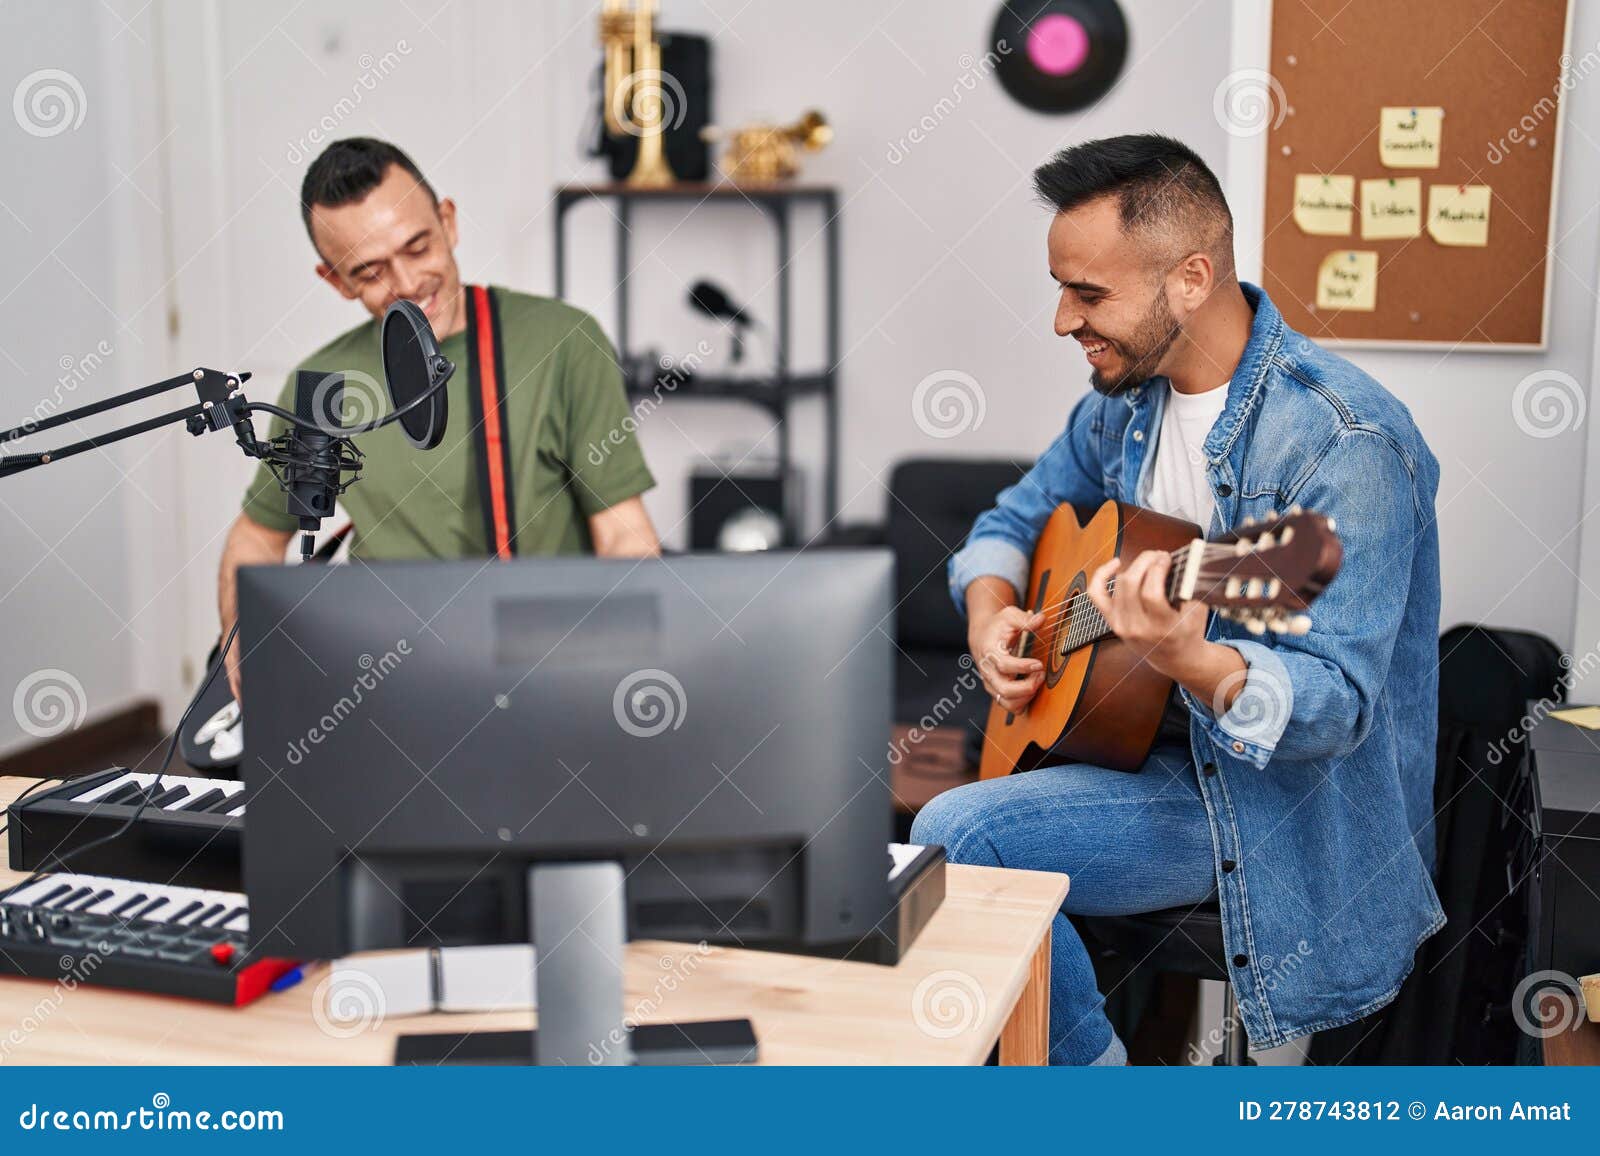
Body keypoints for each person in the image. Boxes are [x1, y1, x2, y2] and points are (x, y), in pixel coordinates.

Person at [911, 134, 1443, 1064]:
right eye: (1060, 287)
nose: (1061, 320)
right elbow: (1008, 520)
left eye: (1088, 294)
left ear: (1191, 278)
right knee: (944, 844)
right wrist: (992, 612)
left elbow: (1340, 708)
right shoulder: (1121, 401)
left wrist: (1186, 656)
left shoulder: (1347, 444)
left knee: (955, 835)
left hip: (1273, 808)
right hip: (1137, 757)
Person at [219, 138, 660, 697]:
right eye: (370, 271)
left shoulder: (561, 344)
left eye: (418, 246)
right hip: (385, 683)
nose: (405, 284)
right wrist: (244, 642)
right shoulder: (324, 386)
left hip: (544, 672)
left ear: (448, 222)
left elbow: (625, 538)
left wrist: (623, 673)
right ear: (335, 279)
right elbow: (257, 538)